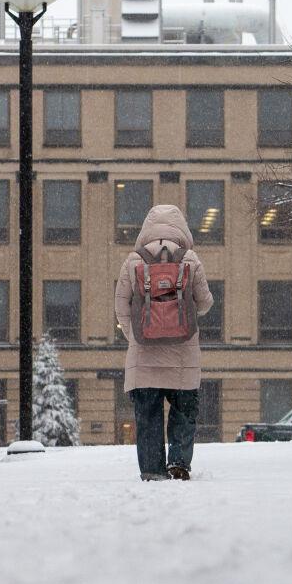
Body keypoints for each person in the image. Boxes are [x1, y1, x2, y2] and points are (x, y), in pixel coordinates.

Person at [114, 203, 214, 479]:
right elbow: (205, 303)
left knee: (147, 415)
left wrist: (136, 333)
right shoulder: (190, 259)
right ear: (181, 228)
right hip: (183, 354)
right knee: (184, 411)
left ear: (147, 228)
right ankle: (179, 463)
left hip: (144, 356)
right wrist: (179, 313)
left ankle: (151, 469)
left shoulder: (133, 261)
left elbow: (121, 307)